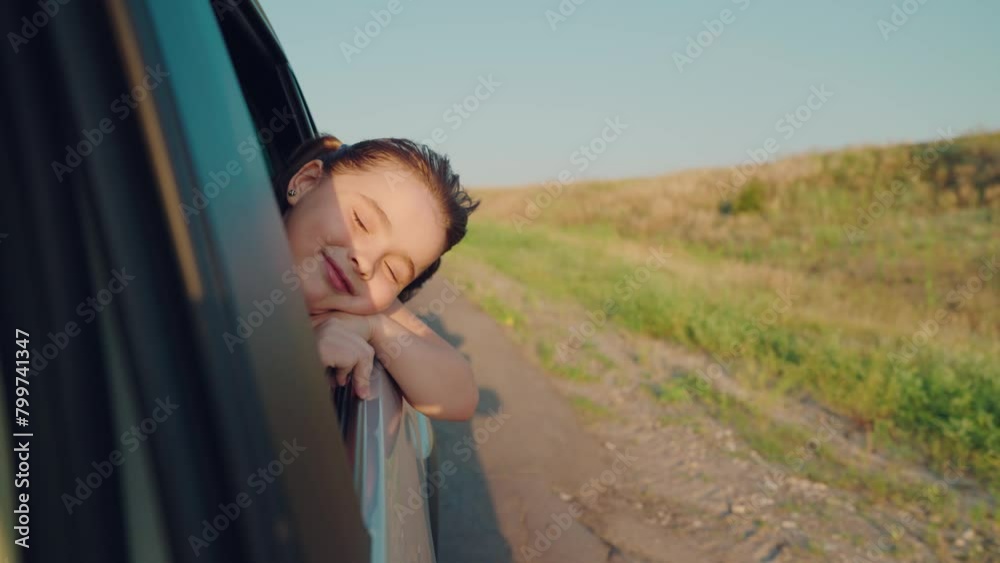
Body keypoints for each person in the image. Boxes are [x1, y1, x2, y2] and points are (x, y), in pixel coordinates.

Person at [277, 134, 480, 421]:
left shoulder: (358, 304)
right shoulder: (207, 245)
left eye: (392, 271)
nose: (366, 262)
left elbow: (461, 396)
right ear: (306, 183)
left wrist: (375, 327)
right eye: (361, 221)